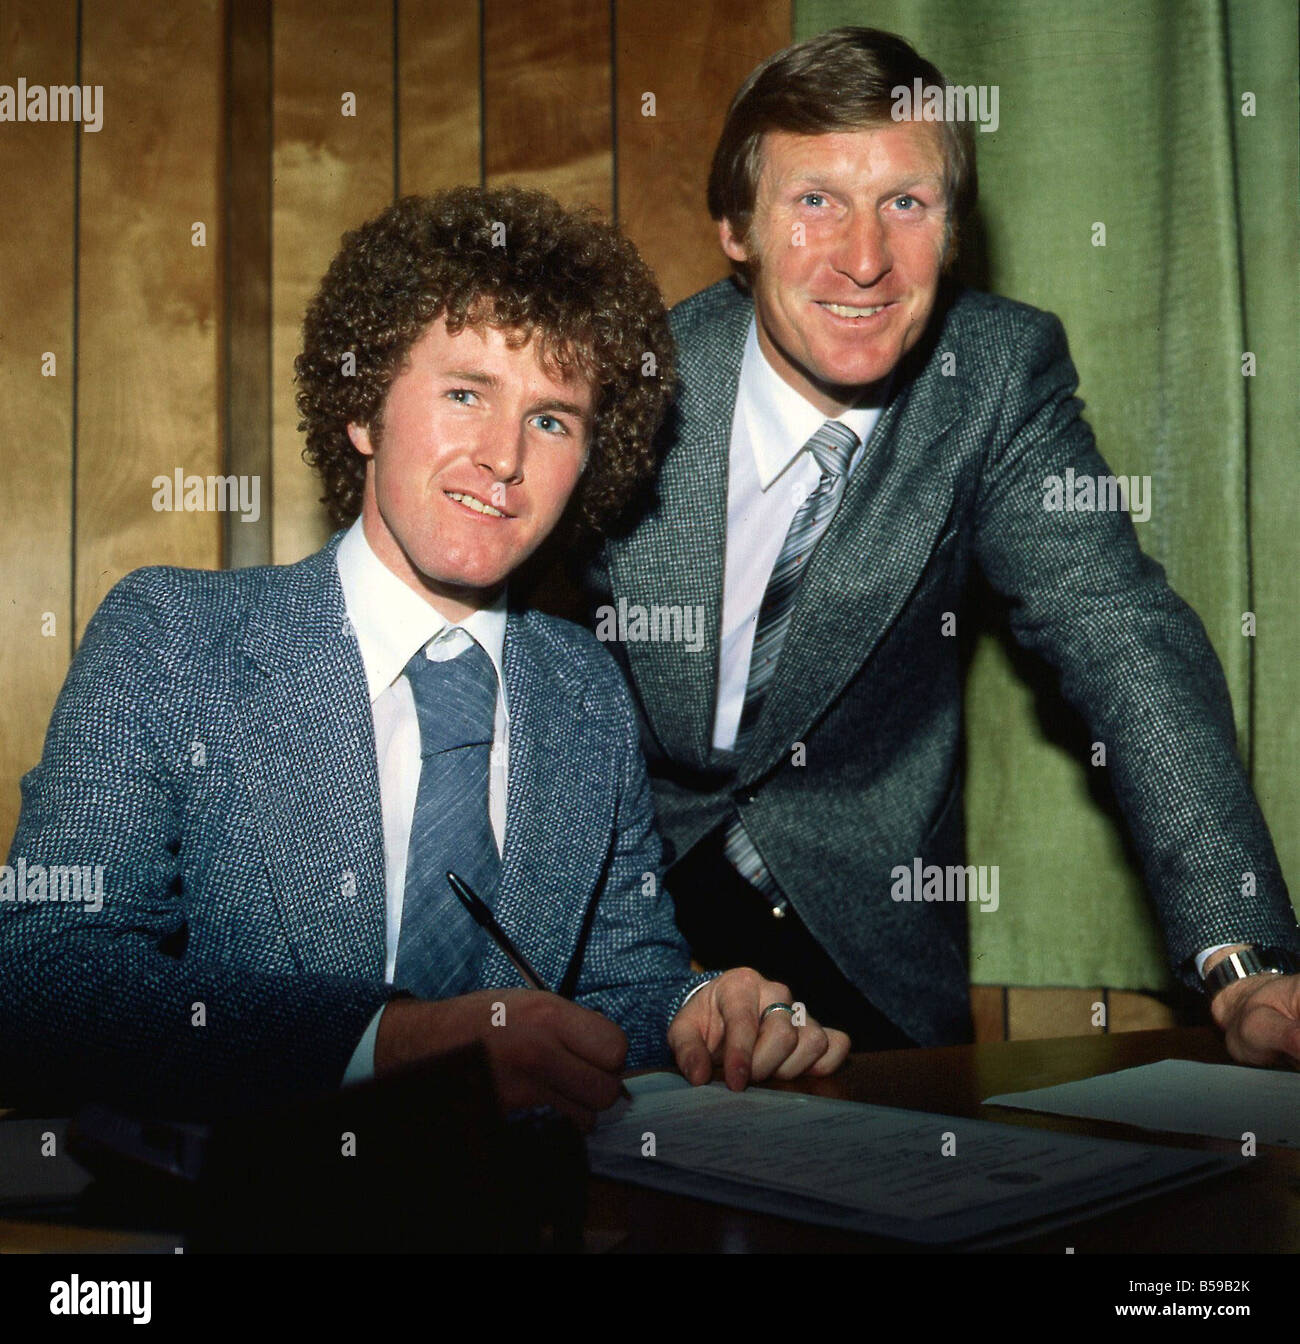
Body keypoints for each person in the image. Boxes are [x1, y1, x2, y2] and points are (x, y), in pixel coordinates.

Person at [0, 186, 849, 1127]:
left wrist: (700, 1010)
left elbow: (615, 985)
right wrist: (390, 1045)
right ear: (364, 412)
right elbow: (47, 978)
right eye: (463, 393)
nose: (504, 457)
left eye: (554, 419)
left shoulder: (586, 688)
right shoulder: (173, 637)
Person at [583, 27, 1300, 1062]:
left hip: (869, 936)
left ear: (952, 230)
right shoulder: (622, 383)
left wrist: (1241, 963)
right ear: (735, 227)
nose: (864, 260)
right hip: (630, 914)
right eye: (815, 200)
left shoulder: (998, 376)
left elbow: (1116, 632)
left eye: (905, 204)